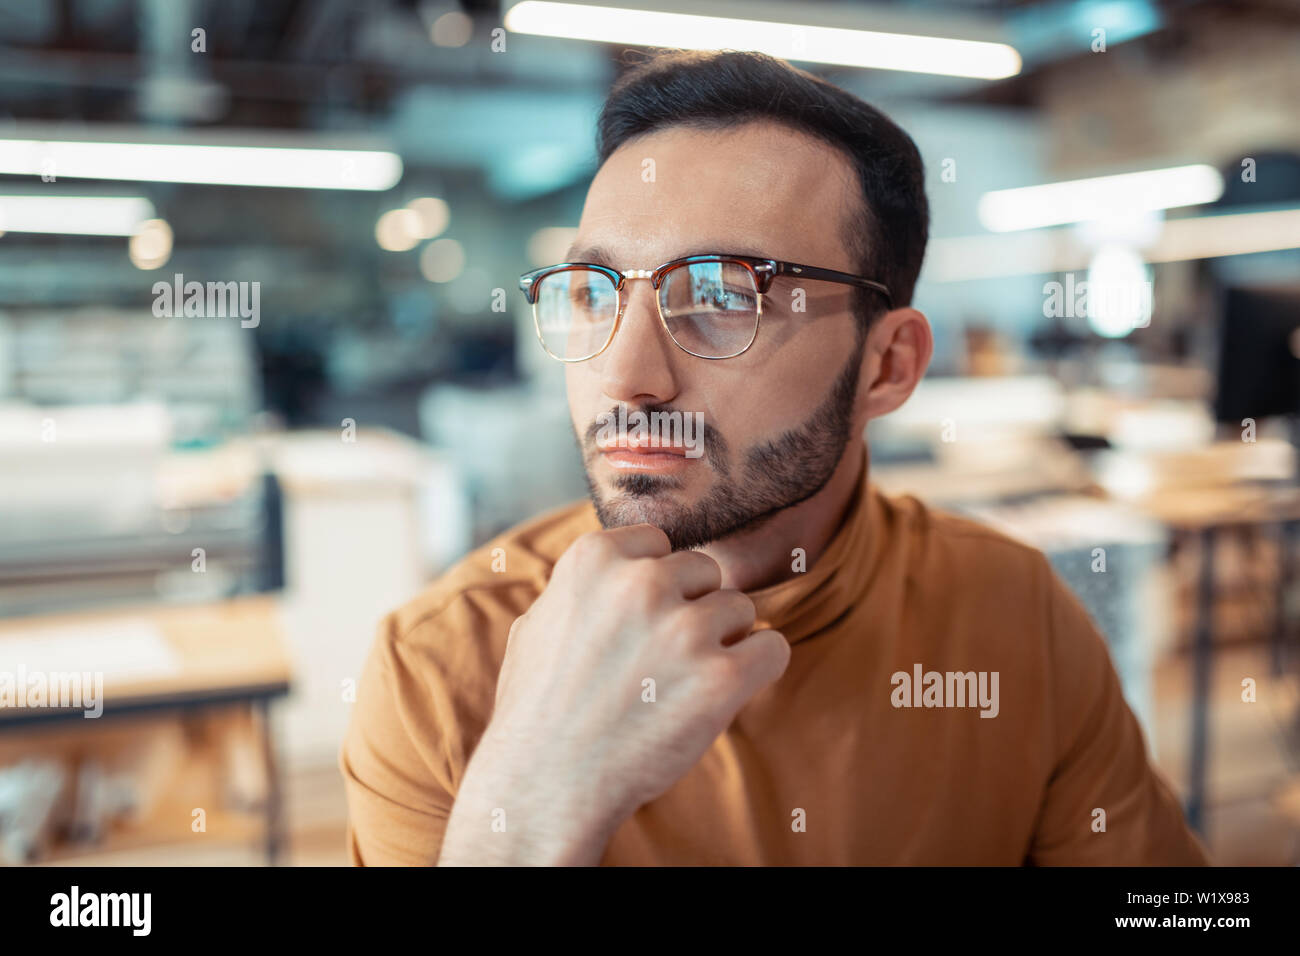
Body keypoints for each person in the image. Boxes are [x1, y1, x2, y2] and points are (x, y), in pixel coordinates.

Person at [340, 50, 1209, 866]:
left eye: (720, 295)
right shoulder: (443, 667)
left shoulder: (1014, 612)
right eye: (594, 294)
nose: (624, 377)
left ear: (887, 366)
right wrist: (528, 809)